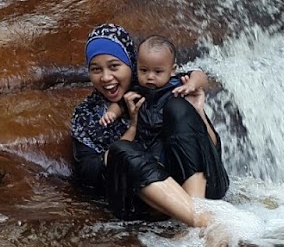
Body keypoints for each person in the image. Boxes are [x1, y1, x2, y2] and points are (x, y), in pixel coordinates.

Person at [69, 24, 229, 225]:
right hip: (143, 201)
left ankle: (197, 213)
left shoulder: (168, 87)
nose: (106, 77)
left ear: (131, 64)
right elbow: (89, 176)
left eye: (114, 66)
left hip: (204, 189)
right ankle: (201, 221)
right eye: (96, 69)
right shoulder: (87, 115)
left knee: (178, 108)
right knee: (121, 149)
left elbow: (212, 149)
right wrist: (132, 128)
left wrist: (197, 112)